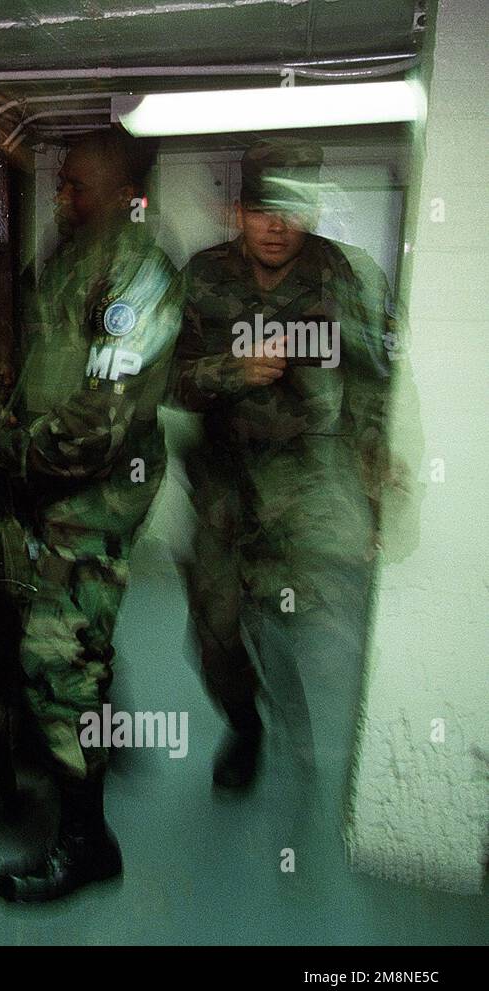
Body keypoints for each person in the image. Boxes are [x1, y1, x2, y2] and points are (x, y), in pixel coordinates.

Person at [171, 140, 405, 841]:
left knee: (288, 610)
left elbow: (370, 372)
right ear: (237, 210)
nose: (276, 226)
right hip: (217, 478)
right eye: (261, 210)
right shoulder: (204, 277)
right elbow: (165, 379)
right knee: (215, 631)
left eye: (292, 210)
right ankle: (245, 725)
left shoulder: (338, 273)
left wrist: (373, 452)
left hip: (295, 478)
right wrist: (229, 371)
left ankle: (294, 717)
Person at [0, 127, 183, 902]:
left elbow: (100, 425)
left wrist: (5, 453)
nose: (61, 198)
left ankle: (86, 842)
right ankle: (96, 700)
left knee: (56, 651)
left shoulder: (141, 278)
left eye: (77, 188)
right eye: (59, 184)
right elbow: (42, 350)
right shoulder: (68, 258)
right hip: (49, 483)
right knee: (73, 631)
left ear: (122, 193)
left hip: (96, 493)